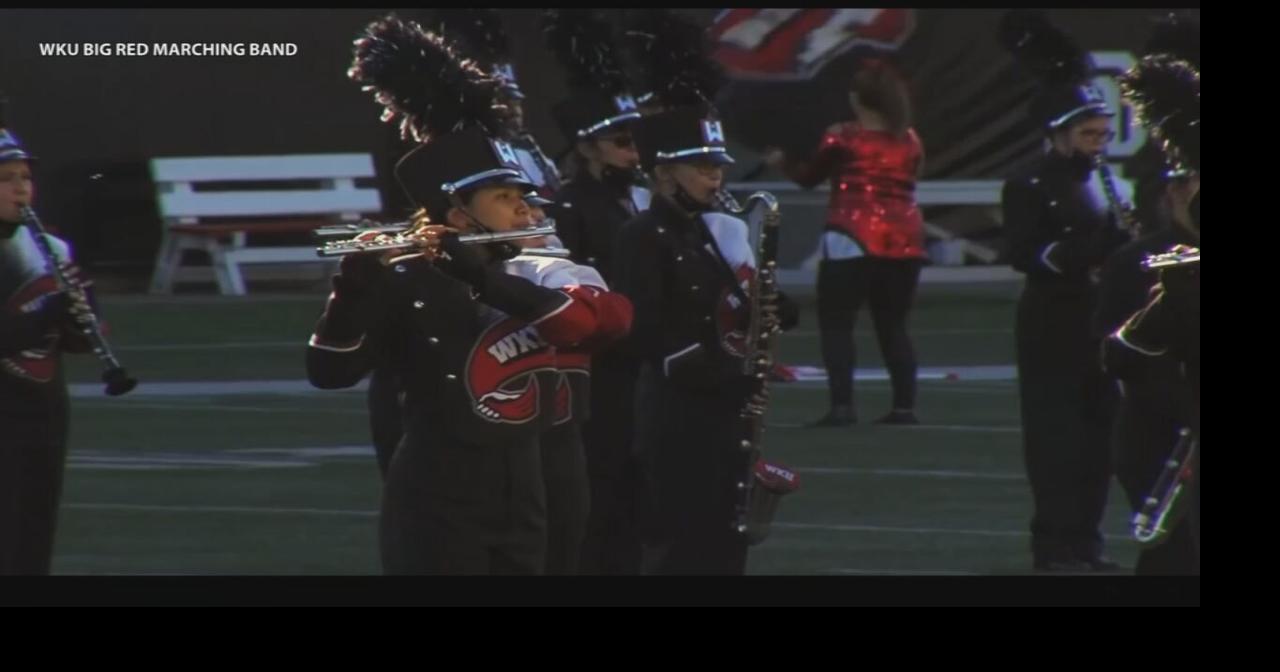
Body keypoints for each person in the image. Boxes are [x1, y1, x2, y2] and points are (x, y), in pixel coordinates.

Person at [309, 15, 631, 574]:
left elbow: (604, 324)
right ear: (459, 213)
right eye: (507, 198)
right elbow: (330, 372)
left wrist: (486, 279)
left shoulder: (541, 270)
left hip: (529, 488)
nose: (527, 211)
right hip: (437, 495)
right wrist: (352, 289)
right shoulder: (405, 277)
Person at [766, 58, 926, 426]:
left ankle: (842, 406)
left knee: (837, 320)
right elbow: (913, 177)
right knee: (894, 324)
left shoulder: (843, 136)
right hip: (906, 236)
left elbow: (809, 177)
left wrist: (781, 162)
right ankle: (904, 407)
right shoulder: (910, 138)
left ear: (856, 98)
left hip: (851, 233)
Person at [0, 114, 98, 575]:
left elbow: (67, 341)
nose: (21, 189)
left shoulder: (51, 248)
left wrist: (81, 320)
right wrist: (45, 316)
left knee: (33, 536)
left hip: (41, 409)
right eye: (5, 179)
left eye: (25, 178)